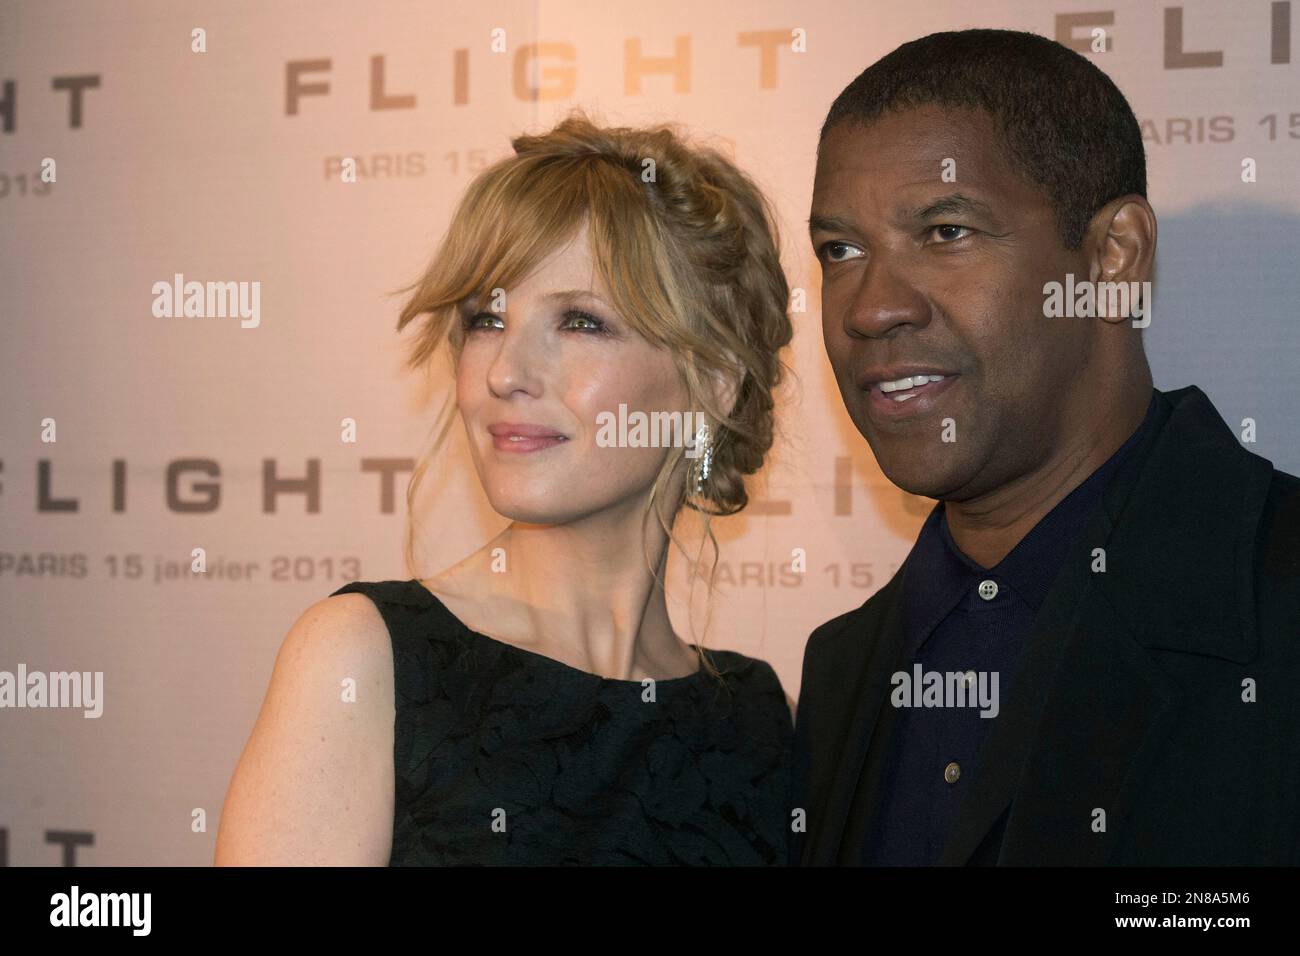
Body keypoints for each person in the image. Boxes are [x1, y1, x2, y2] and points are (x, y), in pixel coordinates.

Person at [215, 111, 795, 866]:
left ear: (714, 382)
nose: (504, 373)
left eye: (582, 322)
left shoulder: (762, 722)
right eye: (486, 318)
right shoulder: (368, 659)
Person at [792, 28, 1300, 865]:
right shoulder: (843, 668)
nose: (870, 308)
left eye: (947, 231)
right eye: (840, 250)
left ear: (1112, 258)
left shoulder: (1276, 597)